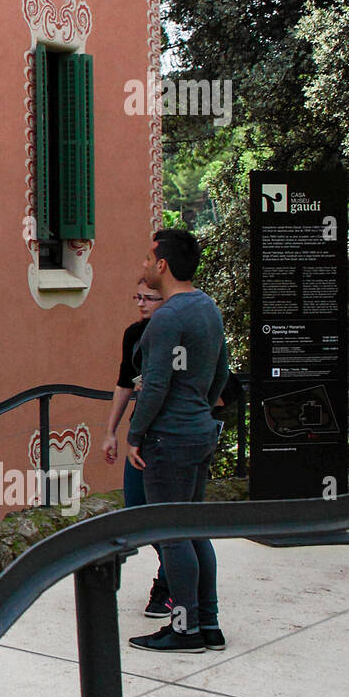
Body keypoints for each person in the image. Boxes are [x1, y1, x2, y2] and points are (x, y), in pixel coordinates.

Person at [125, 229, 231, 654]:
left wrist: (135, 435)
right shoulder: (208, 308)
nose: (144, 267)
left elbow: (154, 386)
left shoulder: (168, 317)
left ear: (162, 265)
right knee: (194, 528)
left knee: (171, 535)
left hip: (169, 439)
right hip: (200, 432)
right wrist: (199, 409)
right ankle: (209, 623)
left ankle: (184, 630)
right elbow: (222, 371)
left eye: (148, 259)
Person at [102, 278, 170, 617]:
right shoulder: (134, 334)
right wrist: (111, 430)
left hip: (171, 435)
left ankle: (170, 582)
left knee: (170, 512)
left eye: (150, 298)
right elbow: (124, 382)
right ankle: (173, 571)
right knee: (137, 506)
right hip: (140, 435)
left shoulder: (178, 331)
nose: (142, 304)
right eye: (138, 297)